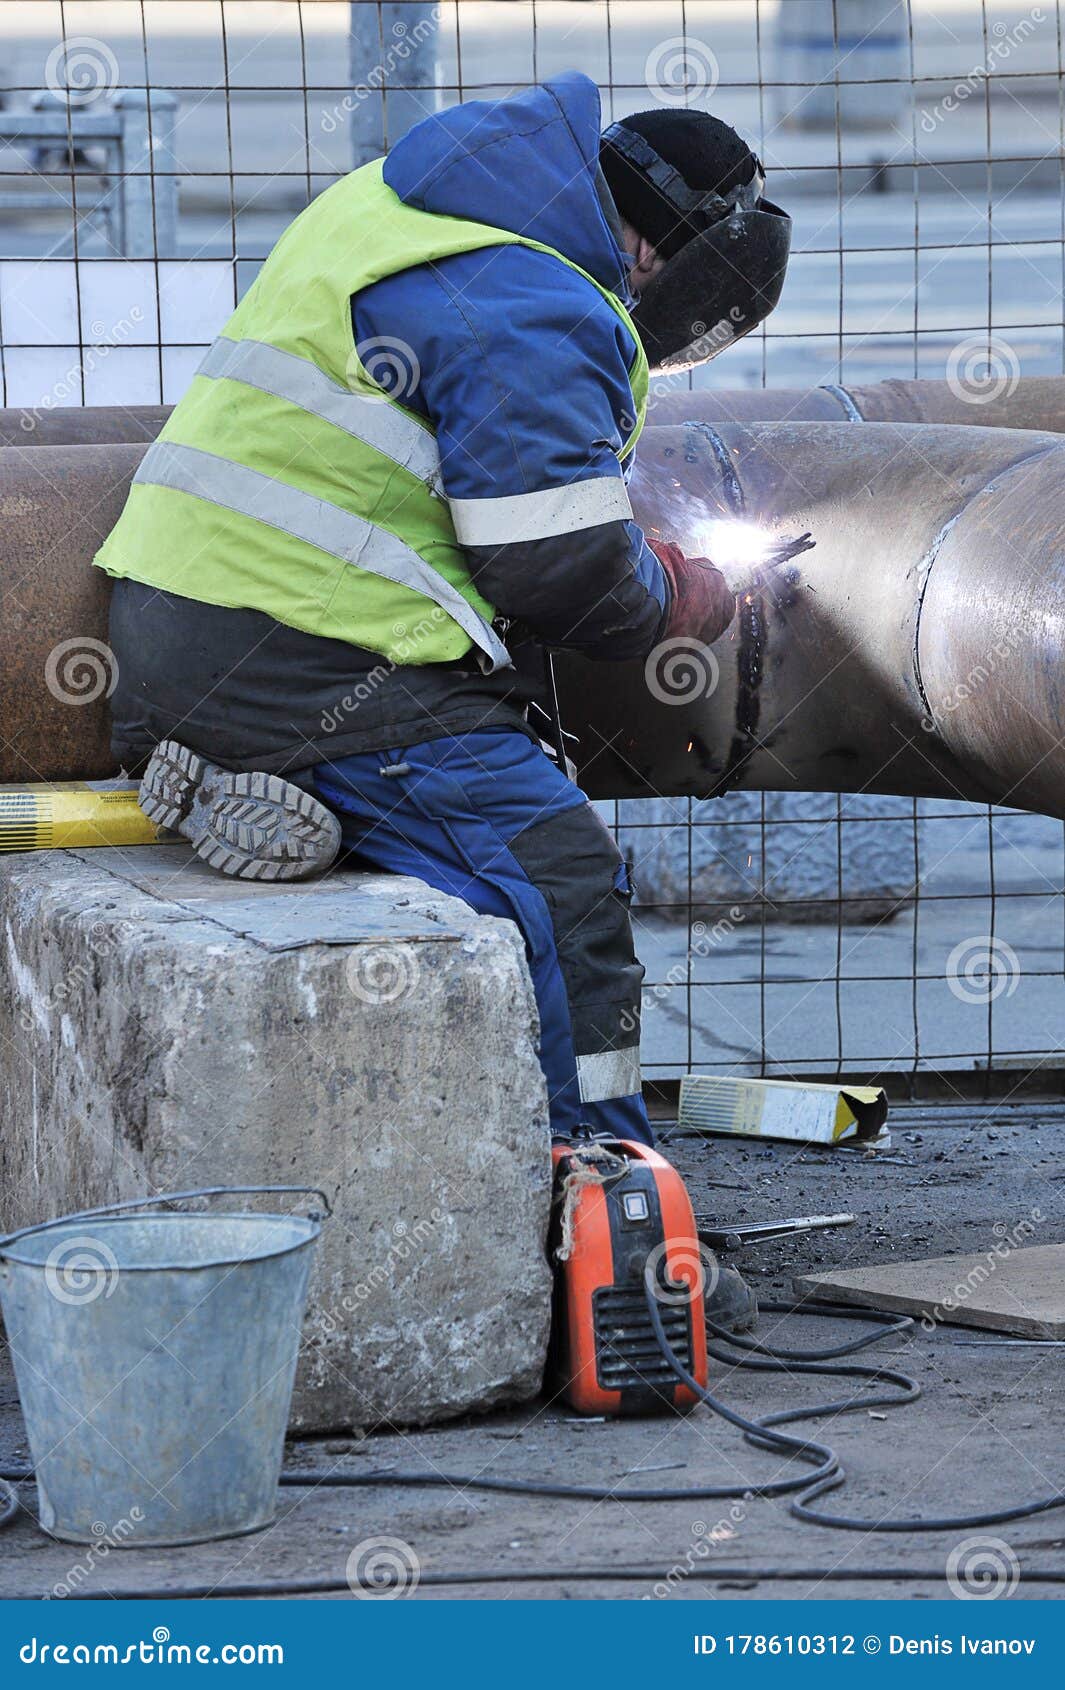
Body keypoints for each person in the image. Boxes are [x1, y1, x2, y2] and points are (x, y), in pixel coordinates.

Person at [95, 72, 790, 1146]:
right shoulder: (540, 300)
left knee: (463, 842)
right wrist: (674, 594)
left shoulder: (397, 201)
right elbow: (554, 570)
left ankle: (276, 782)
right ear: (661, 256)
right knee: (562, 878)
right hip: (315, 659)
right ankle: (604, 1175)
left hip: (169, 633)